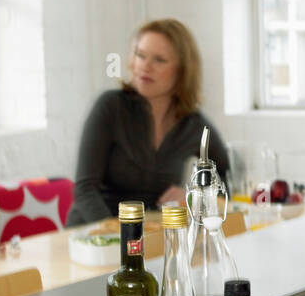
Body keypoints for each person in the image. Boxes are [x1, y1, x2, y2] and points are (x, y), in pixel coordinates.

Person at [67, 19, 230, 226]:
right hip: (94, 235)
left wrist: (194, 195)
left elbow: (226, 175)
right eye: (140, 55)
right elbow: (84, 190)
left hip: (148, 236)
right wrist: (119, 235)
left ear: (182, 70)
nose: (145, 66)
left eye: (159, 60)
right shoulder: (110, 107)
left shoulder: (193, 125)